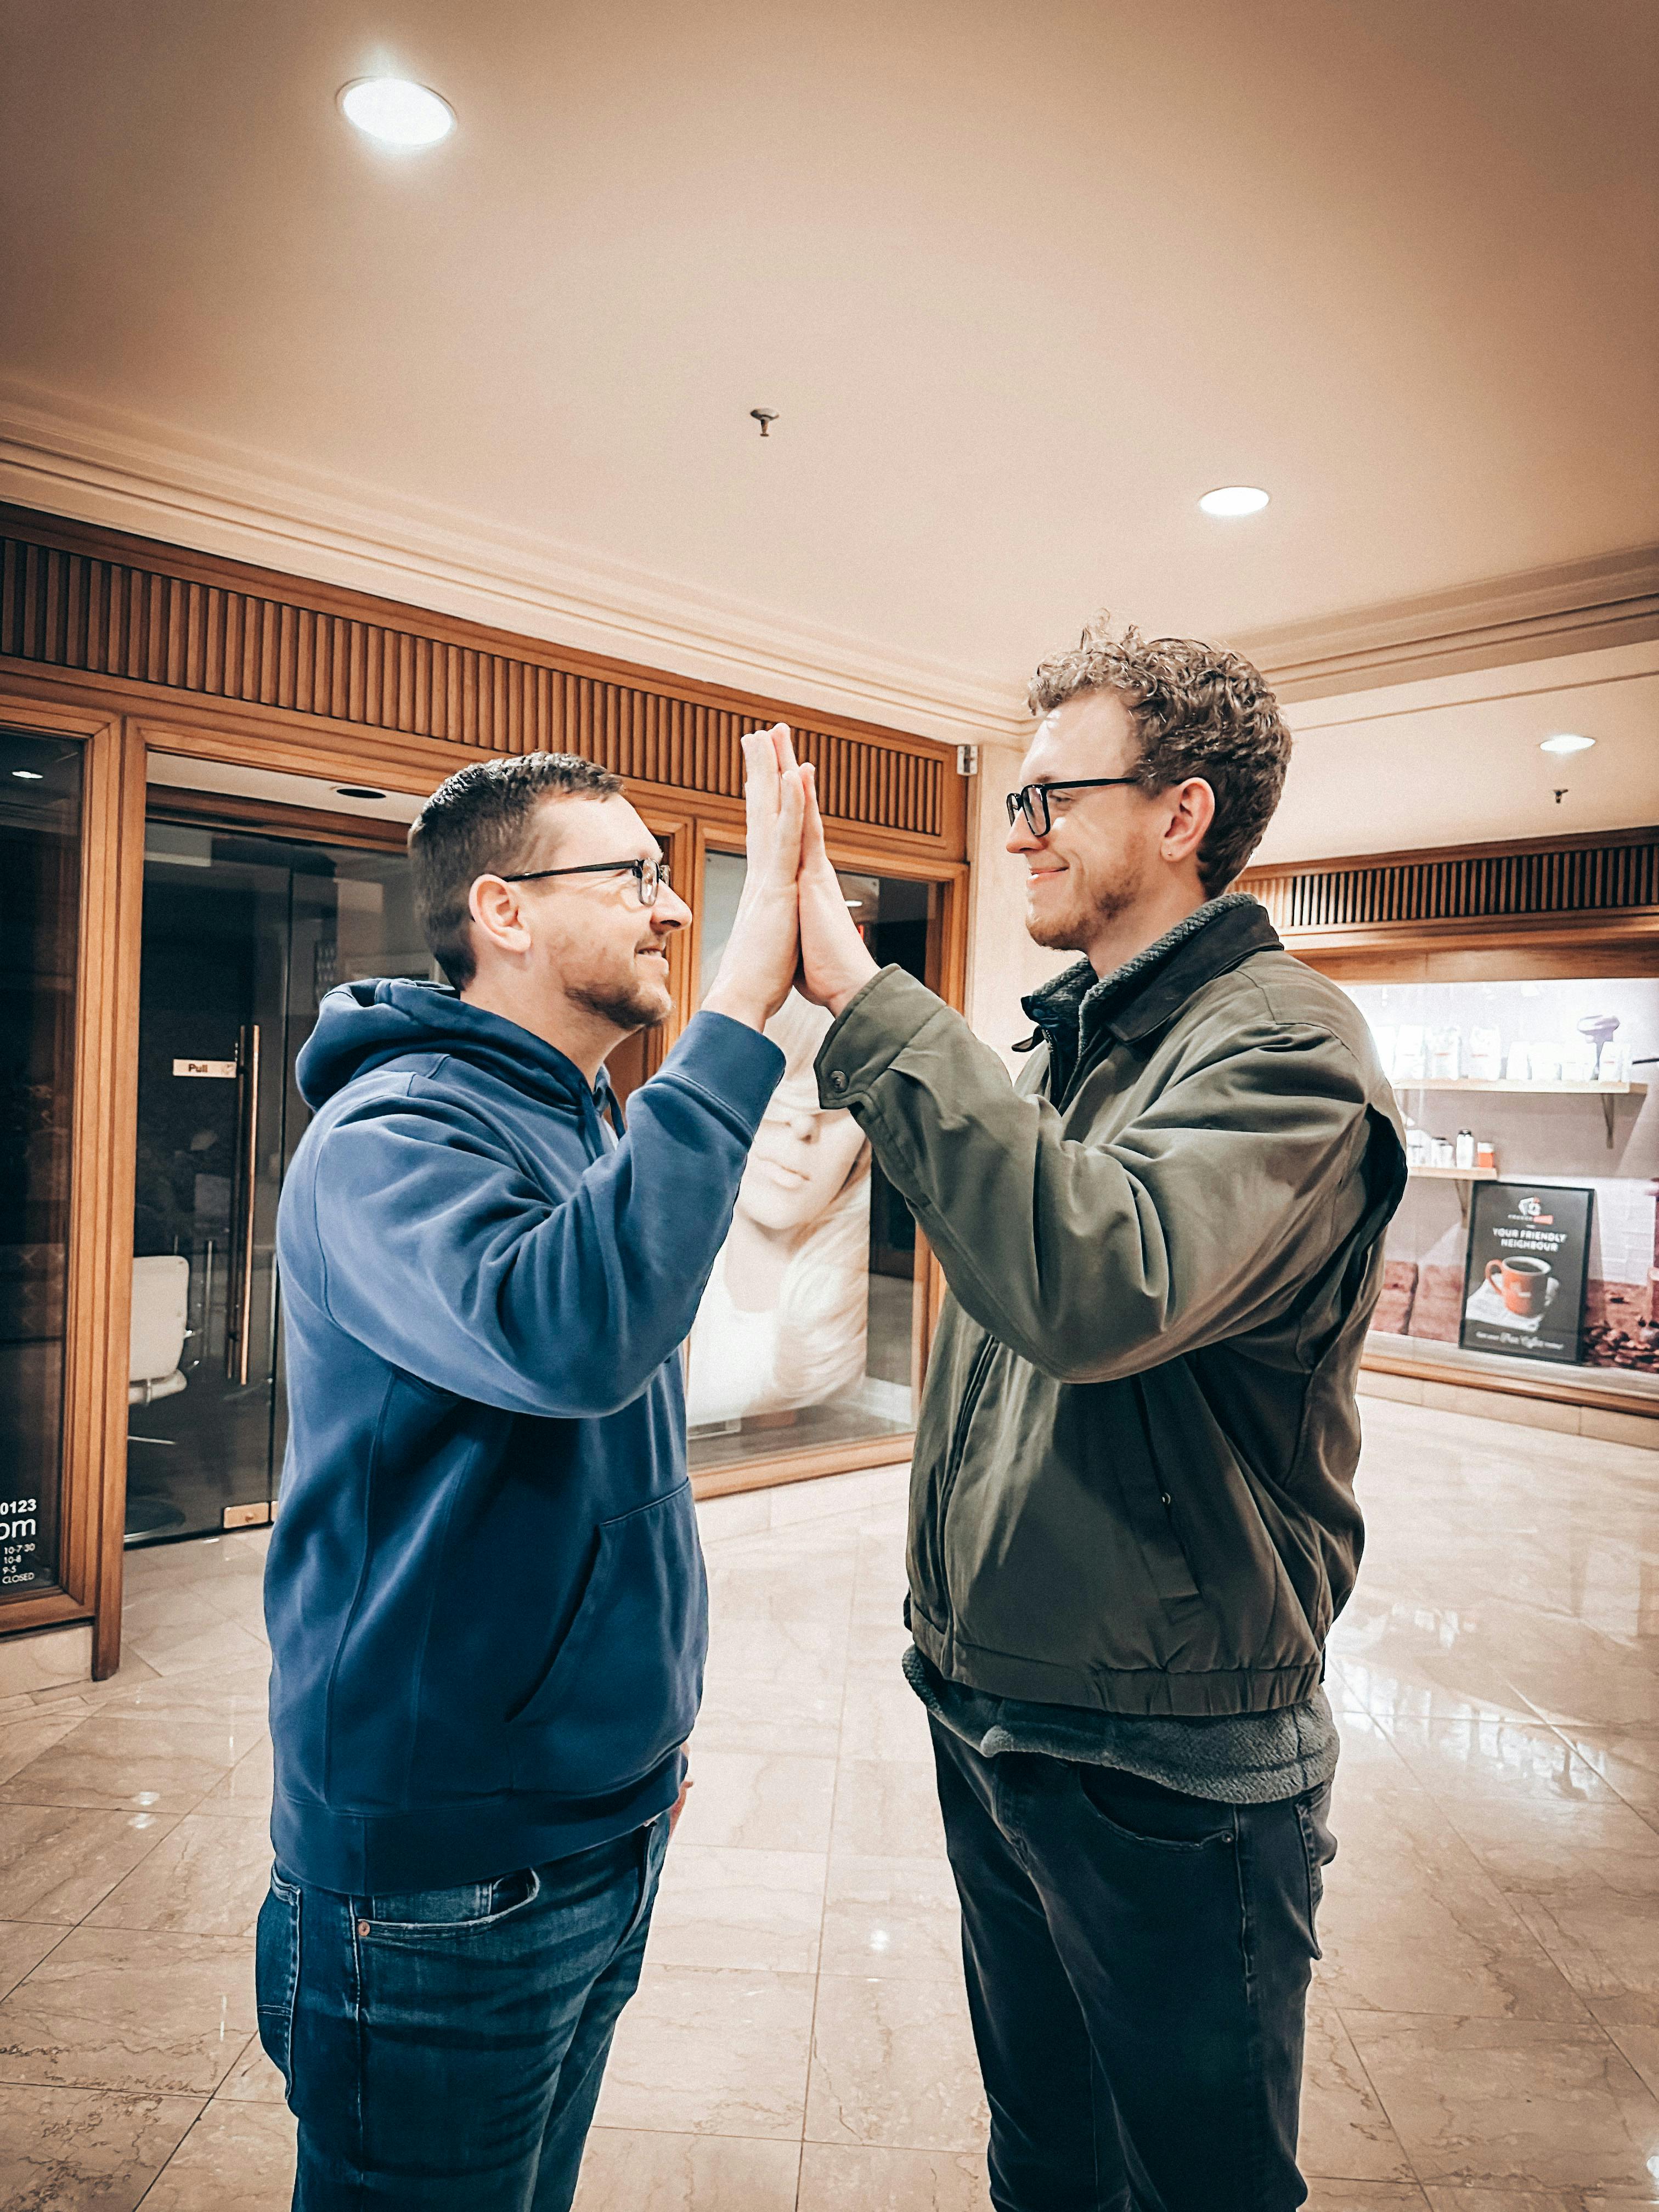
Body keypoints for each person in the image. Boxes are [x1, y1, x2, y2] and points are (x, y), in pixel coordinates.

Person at [791, 615, 1408, 2212]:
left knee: (1190, 2182)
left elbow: (1098, 1285)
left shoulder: (1287, 1044)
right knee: (1047, 2158)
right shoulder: (1075, 1046)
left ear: (1181, 813)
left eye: (1051, 798)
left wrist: (864, 998)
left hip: (1170, 1749)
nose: (1019, 838)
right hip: (996, 1698)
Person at [257, 730, 806, 2210]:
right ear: (503, 912)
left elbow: (604, 1464)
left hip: (591, 1831)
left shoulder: (579, 1117)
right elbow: (571, 1340)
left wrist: (640, 1753)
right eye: (634, 873)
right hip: (441, 1882)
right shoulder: (392, 1136)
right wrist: (746, 1008)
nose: (674, 909)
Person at [685, 988, 872, 1427]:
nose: (803, 1124)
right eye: (779, 1080)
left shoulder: (877, 1318)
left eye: (839, 1099)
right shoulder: (656, 1273)